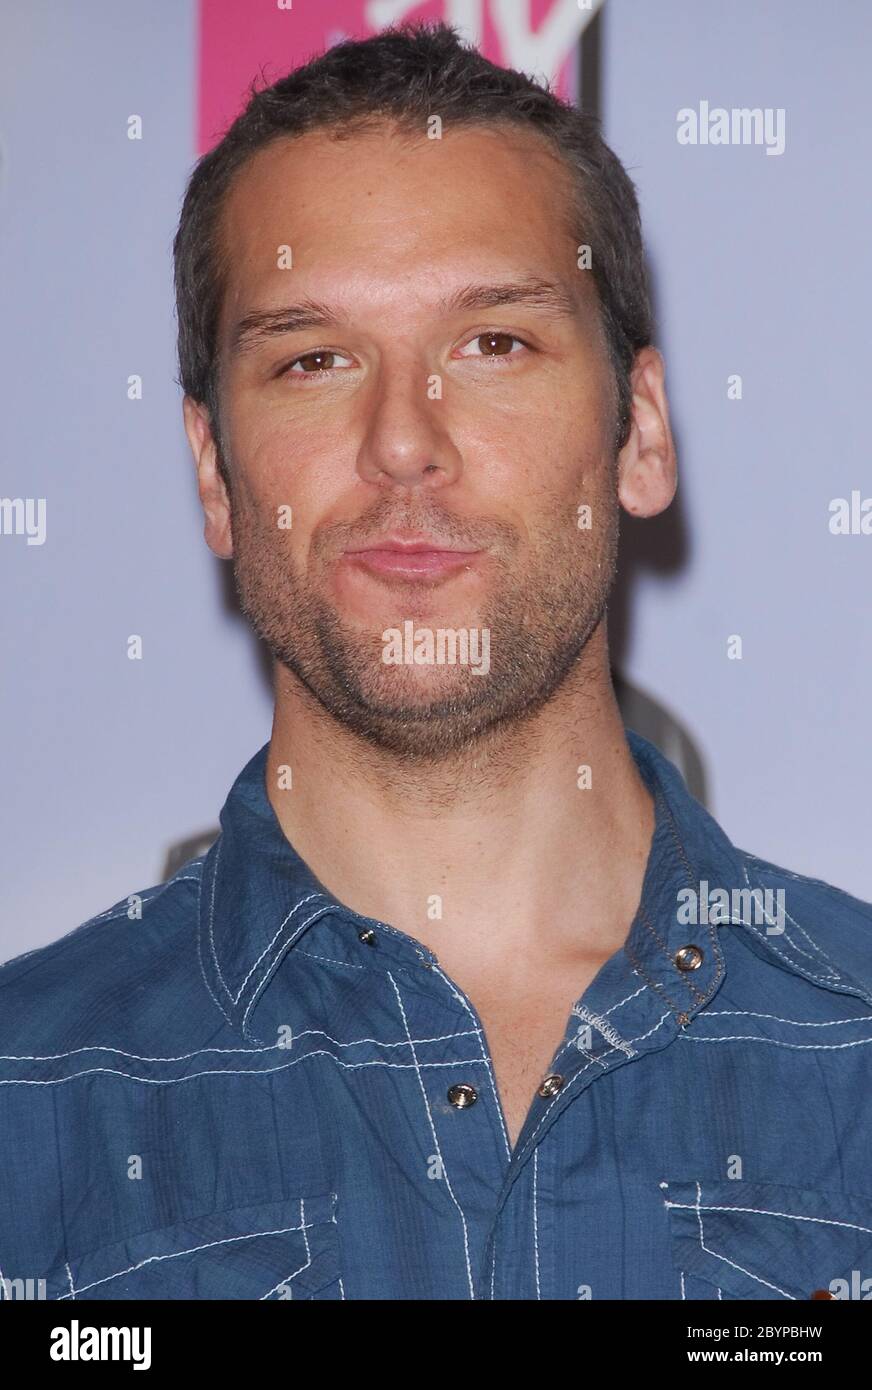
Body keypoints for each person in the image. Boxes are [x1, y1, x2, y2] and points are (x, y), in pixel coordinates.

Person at [2, 22, 871, 1303]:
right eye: (312, 358)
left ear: (638, 433)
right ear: (213, 475)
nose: (402, 440)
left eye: (493, 344)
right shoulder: (30, 1096)